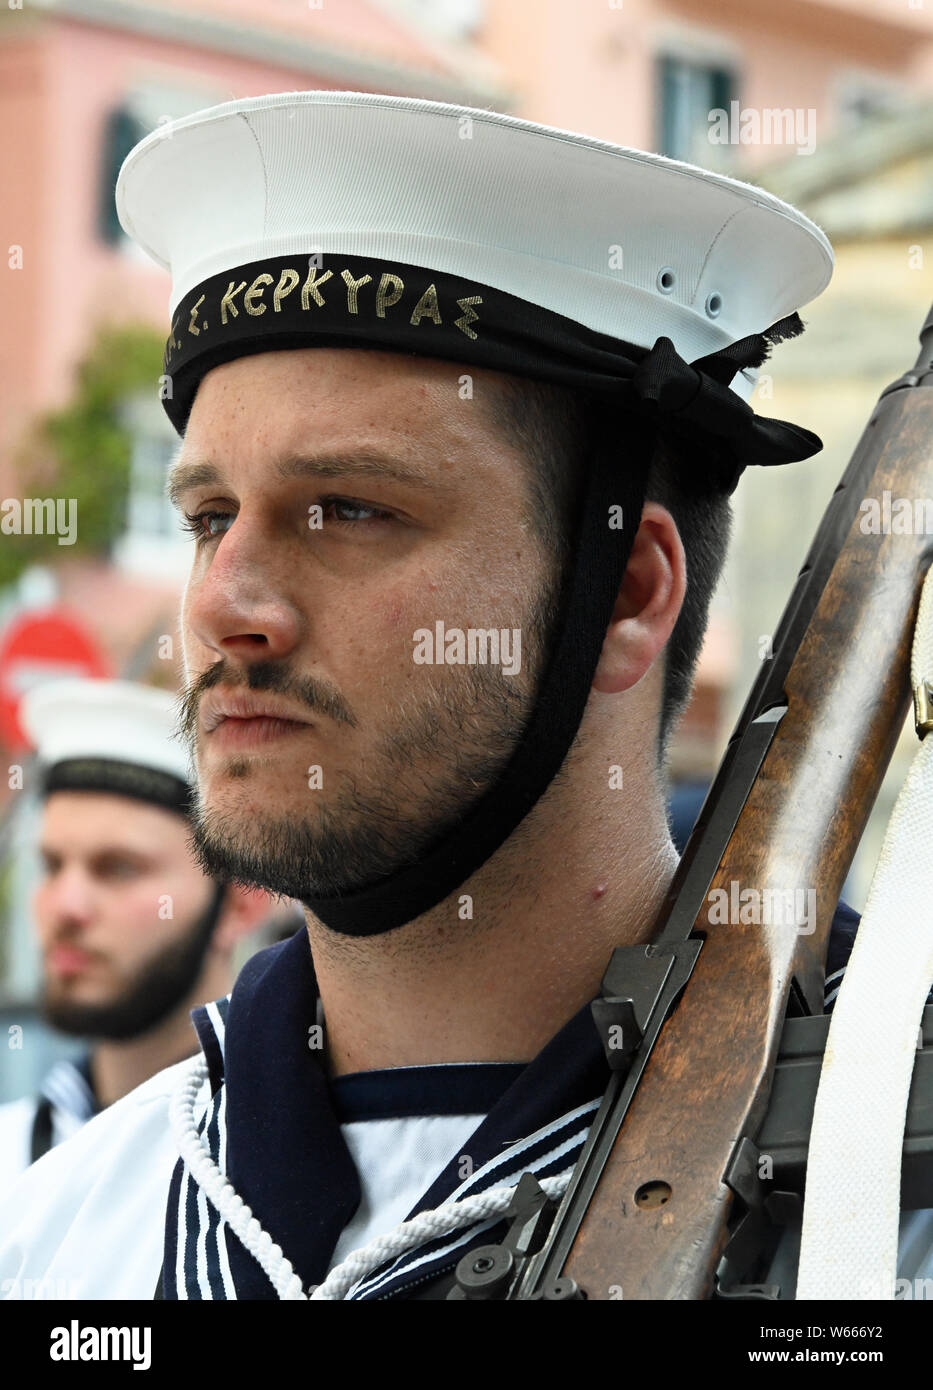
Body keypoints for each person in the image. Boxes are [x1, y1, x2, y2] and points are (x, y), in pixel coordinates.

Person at [0, 89, 929, 1301]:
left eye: (352, 510)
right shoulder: (53, 1238)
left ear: (629, 593)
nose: (227, 605)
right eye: (209, 516)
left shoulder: (884, 1217)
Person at [0, 678, 271, 1187]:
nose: (66, 906)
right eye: (52, 865)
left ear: (240, 902)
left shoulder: (281, 1154)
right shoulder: (11, 1153)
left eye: (119, 869)